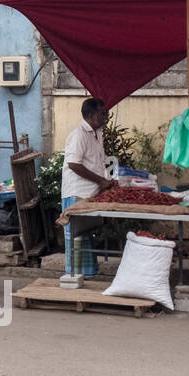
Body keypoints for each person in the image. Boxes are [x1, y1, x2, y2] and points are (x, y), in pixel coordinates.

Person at [61, 97, 117, 277]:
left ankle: (87, 275)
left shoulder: (97, 132)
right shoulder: (79, 134)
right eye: (103, 113)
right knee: (76, 238)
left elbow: (98, 160)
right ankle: (75, 277)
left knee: (86, 237)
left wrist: (107, 179)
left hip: (90, 193)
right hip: (77, 193)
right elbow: (73, 164)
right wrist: (101, 181)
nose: (106, 116)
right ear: (91, 115)